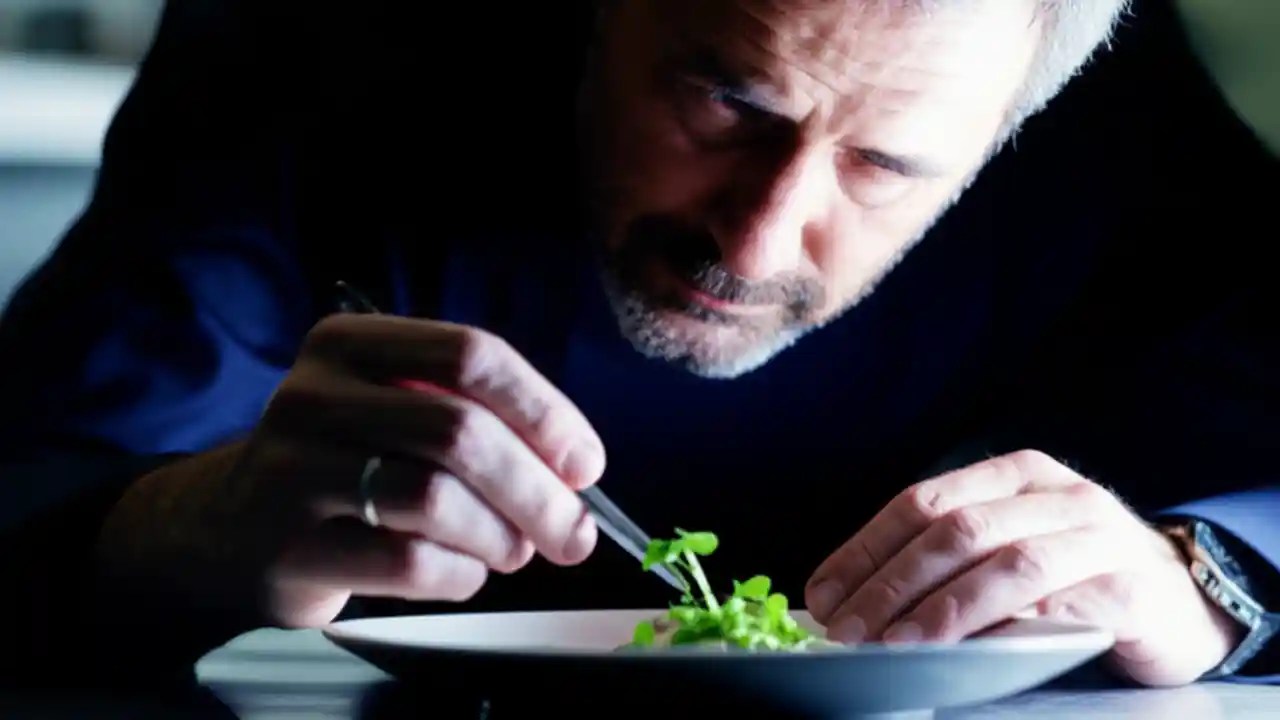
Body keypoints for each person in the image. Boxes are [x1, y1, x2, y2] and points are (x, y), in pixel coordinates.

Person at [0, 0, 1276, 689]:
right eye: (728, 100)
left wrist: (1201, 581)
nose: (757, 244)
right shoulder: (311, 42)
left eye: (884, 166)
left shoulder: (1105, 110)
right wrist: (181, 527)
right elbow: (46, 478)